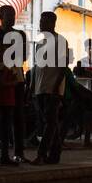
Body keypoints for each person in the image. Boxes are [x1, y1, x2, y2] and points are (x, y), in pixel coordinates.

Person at [0, 5, 28, 164]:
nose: (11, 18)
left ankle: (16, 152)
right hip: (0, 79)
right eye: (8, 15)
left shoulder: (20, 35)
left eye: (13, 14)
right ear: (0, 16)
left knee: (17, 116)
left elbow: (22, 56)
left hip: (15, 78)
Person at [31, 11, 70, 164]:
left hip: (52, 88)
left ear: (53, 23)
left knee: (50, 122)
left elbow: (63, 66)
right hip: (40, 87)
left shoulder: (60, 41)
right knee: (49, 122)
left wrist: (55, 87)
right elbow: (37, 67)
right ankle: (54, 155)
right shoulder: (40, 42)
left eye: (44, 22)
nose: (41, 24)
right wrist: (32, 86)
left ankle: (41, 154)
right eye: (41, 21)